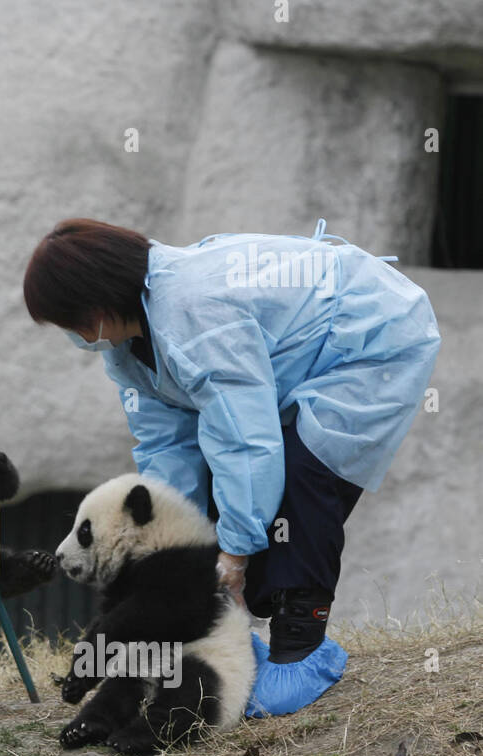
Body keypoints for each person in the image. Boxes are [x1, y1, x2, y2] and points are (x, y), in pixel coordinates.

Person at [23, 218, 440, 716]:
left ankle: (302, 648)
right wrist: (180, 546)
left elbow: (245, 440)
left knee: (305, 474)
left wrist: (235, 554)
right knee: (236, 492)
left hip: (372, 336)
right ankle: (260, 629)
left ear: (95, 306)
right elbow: (166, 447)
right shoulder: (126, 347)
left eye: (70, 323)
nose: (74, 336)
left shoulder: (193, 311)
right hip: (303, 354)